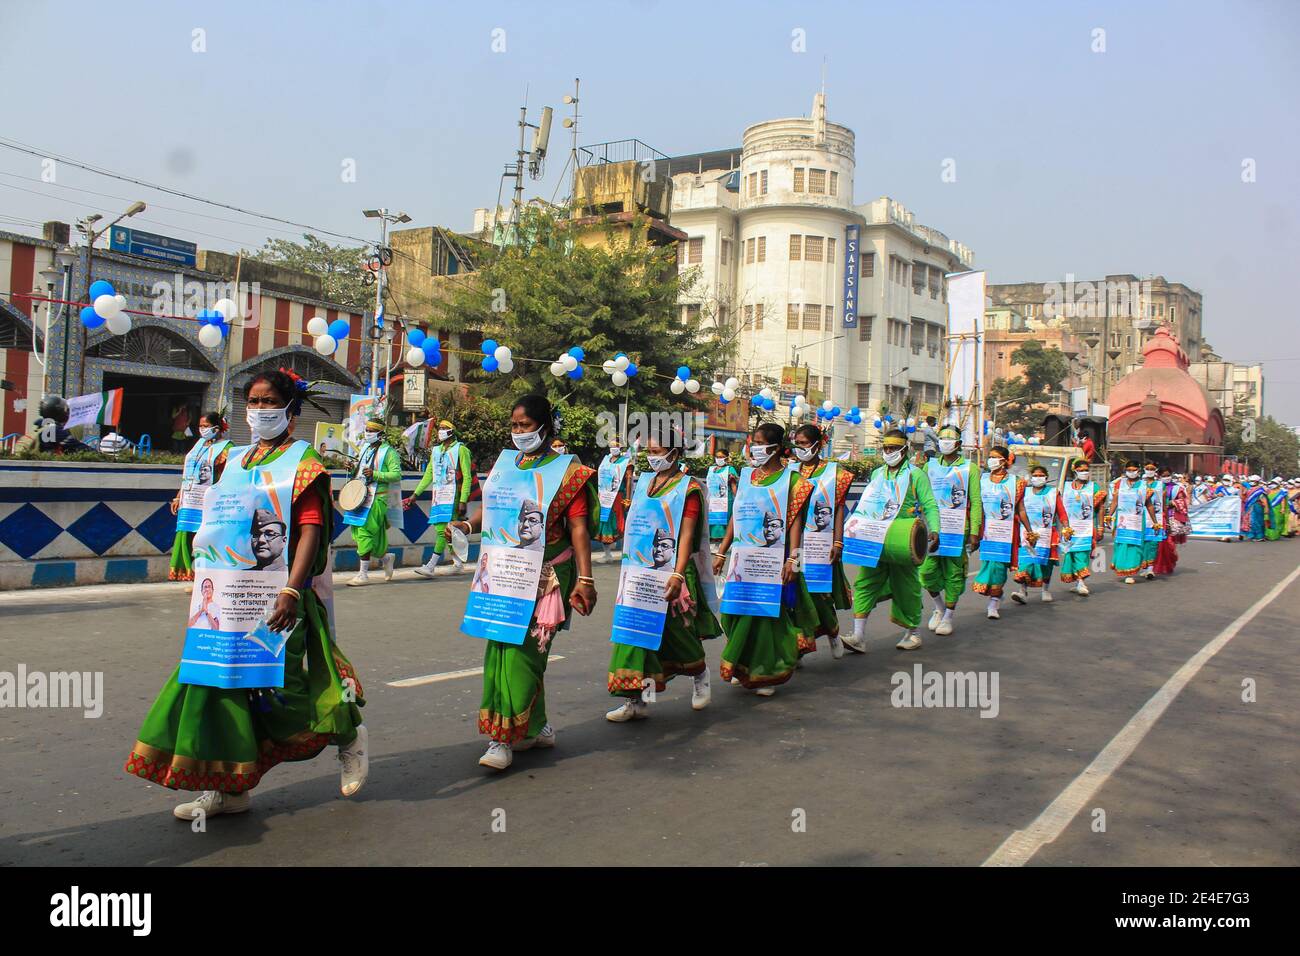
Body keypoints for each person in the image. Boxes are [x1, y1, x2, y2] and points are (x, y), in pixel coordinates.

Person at [125, 368, 368, 819]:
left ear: (291, 413)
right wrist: (204, 585)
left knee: (284, 694)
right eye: (252, 402)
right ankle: (226, 787)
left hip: (279, 597)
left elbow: (312, 530)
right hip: (225, 598)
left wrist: (293, 590)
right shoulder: (230, 459)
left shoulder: (304, 463)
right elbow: (216, 524)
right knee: (214, 687)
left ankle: (348, 735)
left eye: (268, 401)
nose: (259, 410)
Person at [448, 395, 597, 771]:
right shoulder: (504, 465)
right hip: (502, 571)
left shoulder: (567, 472)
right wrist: (468, 525)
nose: (518, 433)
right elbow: (493, 508)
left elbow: (579, 527)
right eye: (514, 426)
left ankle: (503, 737)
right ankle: (537, 725)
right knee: (500, 646)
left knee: (523, 653)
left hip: (546, 576)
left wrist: (585, 578)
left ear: (545, 427)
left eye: (525, 426)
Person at [606, 433, 722, 722]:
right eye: (648, 450)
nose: (651, 456)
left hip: (671, 571)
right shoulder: (645, 482)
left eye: (657, 450)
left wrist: (678, 574)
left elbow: (685, 534)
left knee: (677, 634)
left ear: (674, 452)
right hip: (639, 572)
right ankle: (638, 701)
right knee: (635, 637)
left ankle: (701, 676)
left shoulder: (689, 489)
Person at [711, 422, 814, 695]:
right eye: (752, 443)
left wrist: (794, 560)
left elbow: (796, 524)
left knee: (765, 617)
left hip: (773, 561)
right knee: (733, 614)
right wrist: (722, 551)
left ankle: (766, 672)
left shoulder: (793, 481)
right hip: (742, 560)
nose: (754, 449)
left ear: (777, 448)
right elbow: (736, 516)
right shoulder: (746, 476)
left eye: (760, 443)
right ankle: (744, 665)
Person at [842, 428, 941, 651]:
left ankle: (913, 633)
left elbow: (930, 505)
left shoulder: (915, 475)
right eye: (886, 448)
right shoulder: (877, 474)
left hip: (902, 539)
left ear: (904, 450)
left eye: (894, 448)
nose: (889, 452)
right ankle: (858, 636)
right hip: (875, 537)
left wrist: (934, 530)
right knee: (865, 581)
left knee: (907, 586)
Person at [791, 424, 854, 658]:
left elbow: (838, 510)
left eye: (804, 443)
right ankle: (798, 647)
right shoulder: (790, 471)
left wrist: (838, 543)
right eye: (797, 444)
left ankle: (833, 632)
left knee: (820, 595)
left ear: (819, 444)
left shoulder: (836, 474)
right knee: (796, 596)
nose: (800, 448)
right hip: (795, 546)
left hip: (822, 544)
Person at [919, 424, 982, 634]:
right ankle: (939, 607)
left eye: (950, 440)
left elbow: (976, 501)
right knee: (927, 572)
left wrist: (974, 532)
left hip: (957, 529)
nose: (945, 443)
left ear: (958, 444)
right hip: (932, 528)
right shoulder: (929, 467)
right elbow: (921, 495)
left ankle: (948, 617)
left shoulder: (969, 468)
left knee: (954, 574)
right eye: (942, 439)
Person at [169, 411, 231, 586]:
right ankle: (191, 576)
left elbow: (225, 476)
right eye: (200, 426)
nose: (202, 429)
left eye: (206, 426)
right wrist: (178, 497)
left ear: (217, 428)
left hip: (208, 502)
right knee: (186, 536)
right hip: (189, 500)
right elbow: (188, 473)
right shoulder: (199, 445)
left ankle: (205, 577)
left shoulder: (226, 448)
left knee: (204, 538)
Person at [407, 419, 473, 577]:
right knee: (444, 530)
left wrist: (463, 500)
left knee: (443, 531)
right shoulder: (436, 451)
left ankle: (430, 566)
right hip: (438, 496)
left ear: (451, 431)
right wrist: (415, 494)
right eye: (440, 428)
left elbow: (467, 477)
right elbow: (429, 474)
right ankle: (458, 563)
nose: (440, 431)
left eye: (444, 428)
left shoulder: (460, 449)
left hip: (452, 496)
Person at [972, 445, 1032, 619]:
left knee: (999, 567)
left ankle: (993, 603)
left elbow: (1020, 510)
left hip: (1006, 532)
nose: (991, 460)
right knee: (989, 563)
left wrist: (1029, 530)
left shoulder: (1016, 483)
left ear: (1004, 461)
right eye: (989, 456)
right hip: (987, 530)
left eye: (995, 457)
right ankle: (996, 595)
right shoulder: (981, 480)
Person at [346, 418, 400, 587]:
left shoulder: (389, 452)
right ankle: (386, 558)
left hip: (377, 497)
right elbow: (359, 469)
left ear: (380, 434)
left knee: (364, 531)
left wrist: (376, 474)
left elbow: (396, 474)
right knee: (362, 533)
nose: (367, 433)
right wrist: (351, 467)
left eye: (371, 430)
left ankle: (363, 574)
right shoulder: (364, 449)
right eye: (366, 430)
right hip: (359, 495)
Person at [1010, 464, 1071, 604]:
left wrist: (1066, 527)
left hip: (1046, 533)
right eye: (1035, 476)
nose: (1038, 478)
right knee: (1026, 562)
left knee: (1045, 564)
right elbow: (1018, 512)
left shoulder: (1053, 493)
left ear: (1046, 477)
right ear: (1031, 478)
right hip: (1027, 533)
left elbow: (1061, 513)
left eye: (1041, 475)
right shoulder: (1024, 492)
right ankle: (1022, 591)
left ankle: (1045, 589)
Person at [1058, 459, 1107, 595]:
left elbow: (1101, 508)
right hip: (1068, 527)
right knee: (1070, 554)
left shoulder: (1094, 487)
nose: (1084, 472)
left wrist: (1101, 527)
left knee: (1082, 553)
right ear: (1075, 471)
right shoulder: (1066, 487)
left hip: (1086, 526)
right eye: (1081, 470)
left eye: (1086, 470)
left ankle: (1081, 582)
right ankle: (1077, 580)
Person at [1106, 460, 1159, 584]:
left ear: (1138, 471)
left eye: (1133, 470)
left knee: (1135, 545)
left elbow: (1149, 505)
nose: (1131, 472)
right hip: (1122, 520)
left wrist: (1155, 522)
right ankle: (1124, 569)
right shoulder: (1120, 484)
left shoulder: (1143, 486)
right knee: (1122, 544)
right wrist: (1109, 516)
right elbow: (1115, 501)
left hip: (1137, 520)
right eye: (1129, 470)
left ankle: (1131, 572)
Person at [595, 439, 634, 563]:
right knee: (604, 523)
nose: (613, 447)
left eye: (616, 445)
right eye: (611, 445)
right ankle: (607, 554)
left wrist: (628, 498)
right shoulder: (605, 461)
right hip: (605, 497)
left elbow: (628, 480)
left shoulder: (626, 462)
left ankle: (625, 554)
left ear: (621, 447)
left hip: (618, 496)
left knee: (621, 524)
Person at [1154, 466, 1190, 574]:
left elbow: (1182, 501)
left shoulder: (1176, 488)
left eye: (1168, 475)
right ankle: (1155, 564)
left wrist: (1173, 503)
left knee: (1169, 542)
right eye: (1163, 476)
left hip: (1171, 517)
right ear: (1159, 476)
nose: (1166, 478)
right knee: (1157, 543)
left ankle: (1169, 563)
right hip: (1156, 516)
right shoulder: (1155, 487)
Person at [706, 449, 740, 545]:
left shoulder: (730, 469)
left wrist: (737, 499)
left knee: (721, 521)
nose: (719, 459)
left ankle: (721, 543)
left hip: (725, 501)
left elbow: (733, 485)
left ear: (726, 458)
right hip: (712, 500)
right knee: (712, 520)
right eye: (717, 457)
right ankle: (712, 541)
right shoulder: (711, 469)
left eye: (721, 457)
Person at [1241, 475, 1268, 542]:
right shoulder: (1248, 488)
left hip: (1257, 506)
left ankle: (1259, 536)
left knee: (1257, 521)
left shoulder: (1260, 490)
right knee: (1249, 521)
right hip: (1249, 507)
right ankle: (1252, 535)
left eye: (1253, 481)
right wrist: (1243, 491)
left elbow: (1263, 499)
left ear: (1257, 482)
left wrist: (1266, 508)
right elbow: (1243, 497)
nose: (1252, 482)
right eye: (1251, 481)